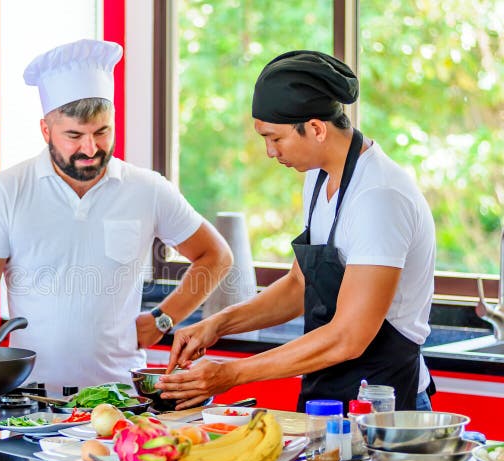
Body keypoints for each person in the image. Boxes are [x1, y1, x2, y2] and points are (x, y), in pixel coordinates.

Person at [157, 50, 436, 413]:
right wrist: (217, 324)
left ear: (317, 129)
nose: (270, 152)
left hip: (386, 409)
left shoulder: (379, 197)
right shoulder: (318, 178)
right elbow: (298, 286)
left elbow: (349, 337)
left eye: (275, 138)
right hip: (330, 399)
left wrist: (233, 374)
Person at [0, 39, 233, 393]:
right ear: (45, 130)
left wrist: (162, 319)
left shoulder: (146, 188)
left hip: (120, 397)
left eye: (102, 132)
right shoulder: (8, 189)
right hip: (31, 398)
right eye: (74, 136)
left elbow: (216, 256)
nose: (90, 148)